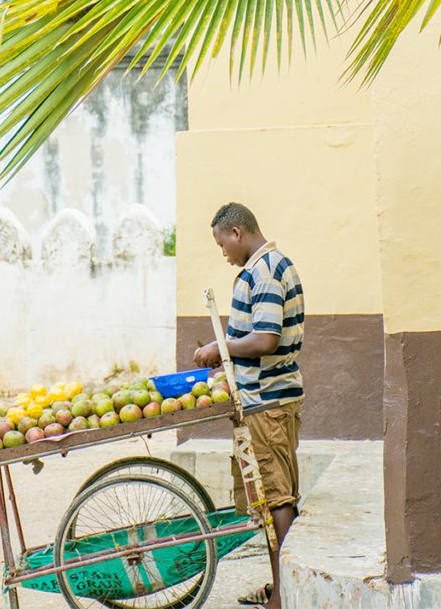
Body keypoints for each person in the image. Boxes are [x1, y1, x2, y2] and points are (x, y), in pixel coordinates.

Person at [193, 202, 304, 609]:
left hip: (266, 403)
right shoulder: (265, 267)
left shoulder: (266, 271)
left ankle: (285, 596)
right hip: (266, 397)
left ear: (237, 233)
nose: (223, 253)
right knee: (273, 496)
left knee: (275, 498)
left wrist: (219, 347)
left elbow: (265, 339)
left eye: (222, 244)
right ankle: (282, 586)